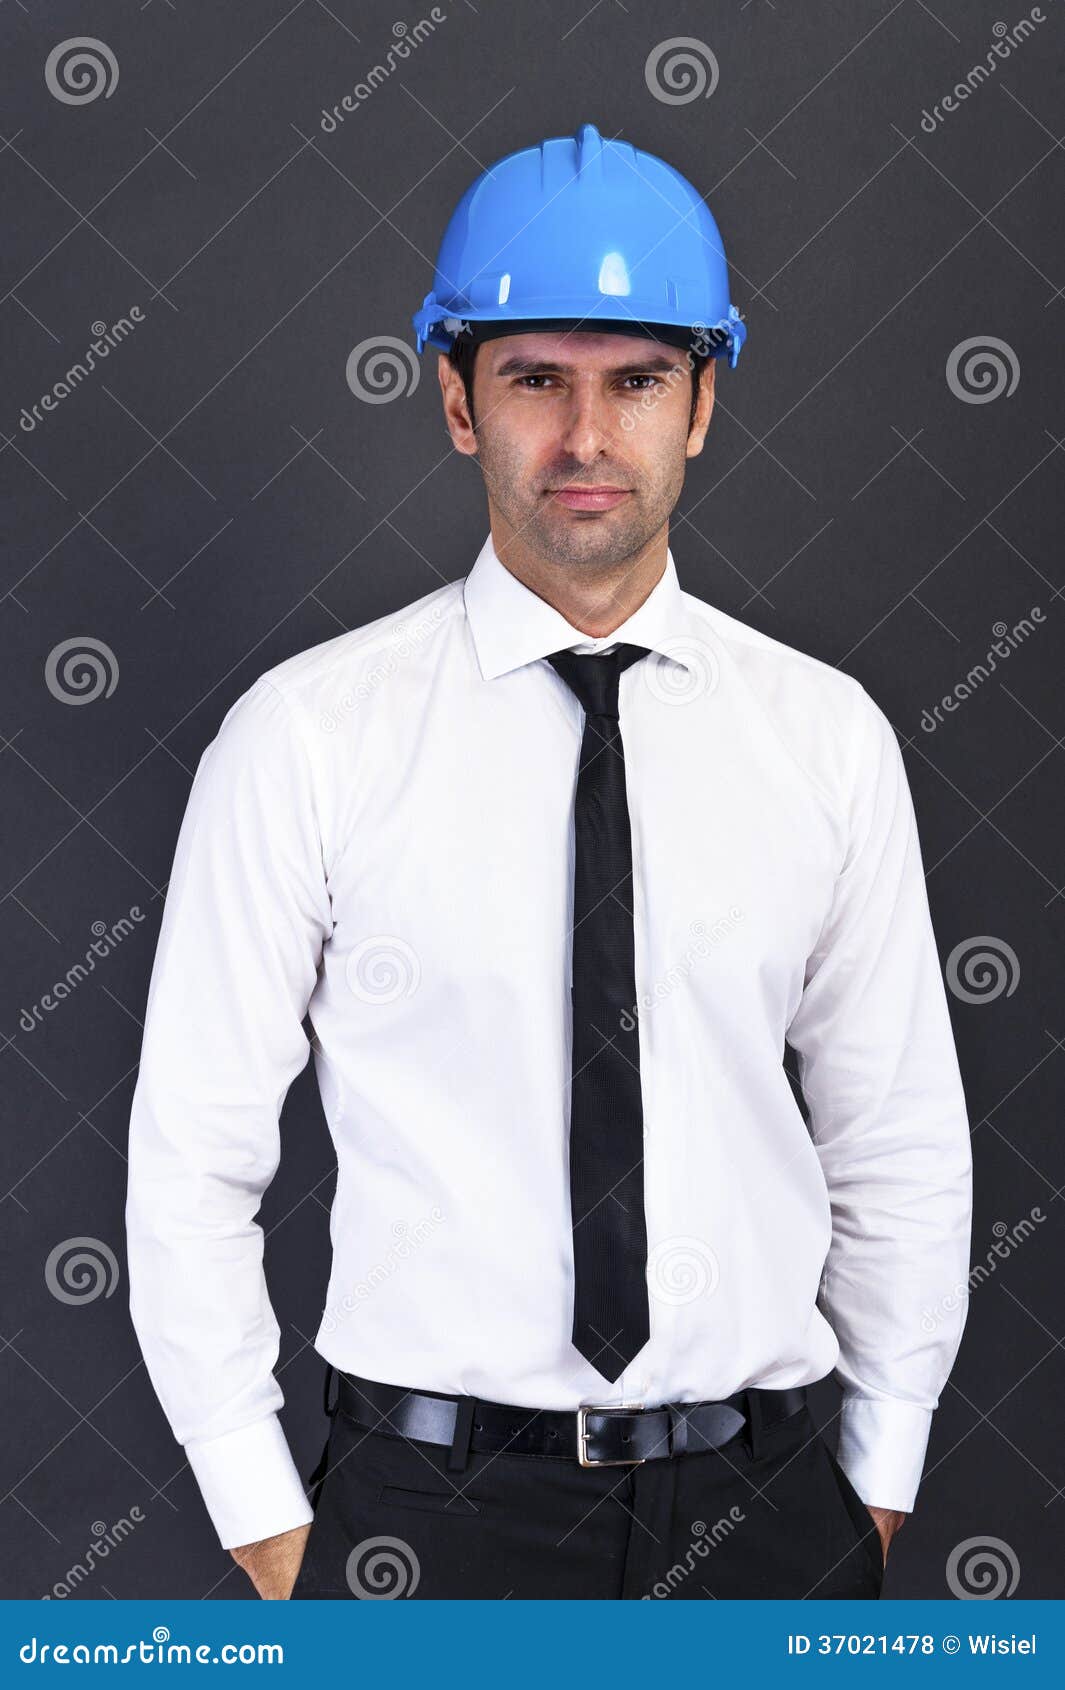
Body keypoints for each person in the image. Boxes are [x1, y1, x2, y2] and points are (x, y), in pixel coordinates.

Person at [125, 121, 972, 1600]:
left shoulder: (824, 740)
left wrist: (873, 1483)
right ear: (455, 399)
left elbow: (895, 1140)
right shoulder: (307, 739)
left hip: (762, 1516)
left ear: (703, 400)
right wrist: (267, 1519)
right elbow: (189, 1164)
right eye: (535, 381)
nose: (586, 439)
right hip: (421, 1521)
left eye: (635, 380)